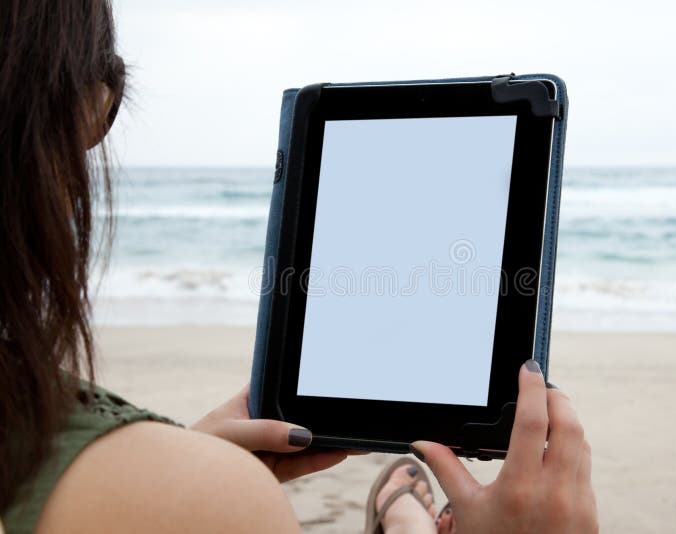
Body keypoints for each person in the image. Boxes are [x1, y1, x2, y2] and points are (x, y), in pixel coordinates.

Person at [0, 1, 598, 532]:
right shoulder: (199, 501)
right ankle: (406, 517)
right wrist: (180, 483)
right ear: (66, 106)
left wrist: (173, 466)